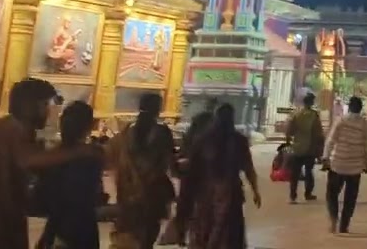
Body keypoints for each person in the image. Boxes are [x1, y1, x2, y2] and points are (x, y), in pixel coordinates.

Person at [0, 78, 96, 249]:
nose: (50, 112)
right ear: (33, 106)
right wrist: (81, 151)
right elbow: (28, 160)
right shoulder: (13, 131)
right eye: (47, 105)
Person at [175, 103, 262, 249]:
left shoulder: (203, 140)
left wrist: (185, 203)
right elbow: (248, 168)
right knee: (228, 235)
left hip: (206, 196)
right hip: (230, 195)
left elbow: (191, 174)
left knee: (205, 230)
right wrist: (255, 191)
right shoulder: (239, 140)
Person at [109, 92, 177, 249]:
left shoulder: (126, 132)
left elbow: (114, 159)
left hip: (129, 192)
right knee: (148, 236)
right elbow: (169, 162)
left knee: (129, 234)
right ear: (158, 109)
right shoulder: (162, 132)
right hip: (153, 193)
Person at [34, 100, 104, 249]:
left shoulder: (51, 156)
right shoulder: (93, 155)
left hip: (55, 226)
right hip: (82, 227)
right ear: (89, 126)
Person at [323, 96, 367, 234]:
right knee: (350, 198)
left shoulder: (341, 120)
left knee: (331, 194)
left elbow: (331, 140)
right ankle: (344, 225)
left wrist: (325, 157)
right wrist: (366, 163)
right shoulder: (365, 124)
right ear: (360, 109)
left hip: (337, 164)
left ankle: (334, 218)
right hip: (355, 167)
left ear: (350, 107)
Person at [285, 92, 324, 202]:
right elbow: (318, 133)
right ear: (312, 102)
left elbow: (289, 131)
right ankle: (308, 194)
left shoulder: (296, 114)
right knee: (308, 172)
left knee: (295, 173)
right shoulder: (314, 115)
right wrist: (320, 149)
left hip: (297, 147)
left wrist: (288, 142)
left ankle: (293, 196)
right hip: (310, 148)